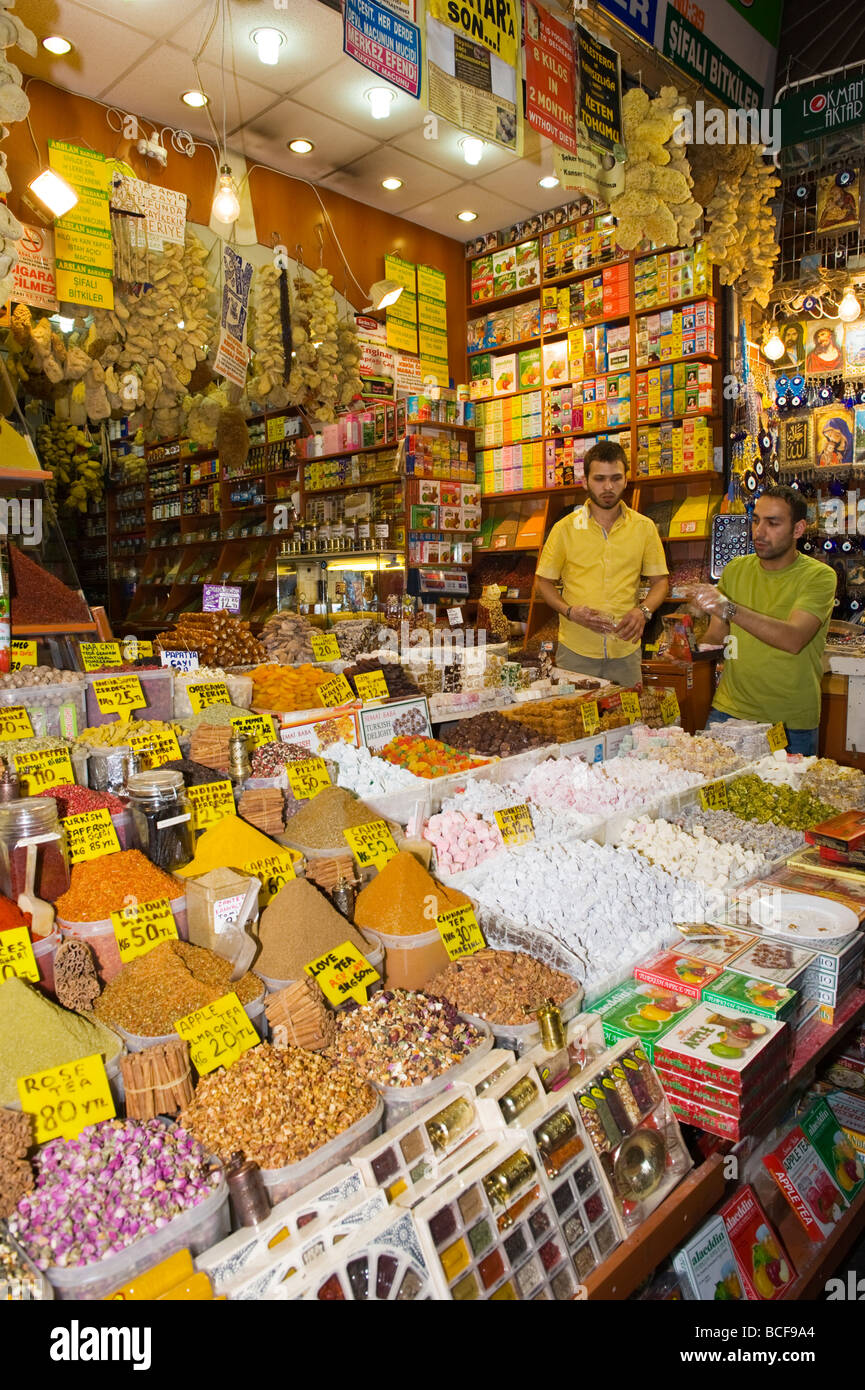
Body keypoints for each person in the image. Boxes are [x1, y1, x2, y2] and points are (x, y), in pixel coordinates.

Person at [690, 485, 836, 756]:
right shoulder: (735, 569)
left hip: (789, 723)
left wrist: (728, 608)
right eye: (756, 520)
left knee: (785, 797)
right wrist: (687, 649)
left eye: (773, 523)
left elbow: (793, 639)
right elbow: (716, 636)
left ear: (798, 529)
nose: (759, 531)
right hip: (729, 712)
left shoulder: (819, 577)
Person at [534, 439, 669, 685]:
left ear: (626, 480)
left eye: (616, 478)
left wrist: (643, 612)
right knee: (575, 722)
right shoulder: (565, 529)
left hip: (625, 652)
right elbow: (543, 582)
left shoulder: (644, 528)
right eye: (599, 479)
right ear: (585, 481)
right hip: (576, 652)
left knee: (630, 722)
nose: (608, 486)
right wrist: (570, 611)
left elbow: (661, 582)